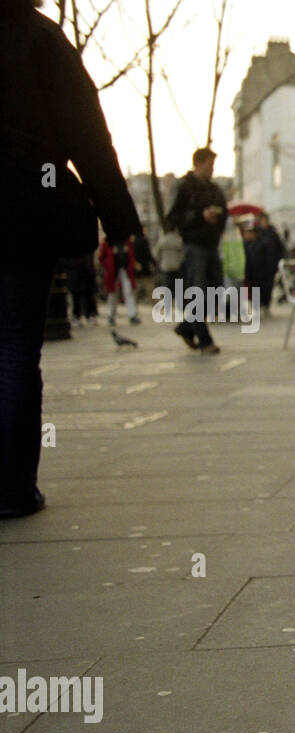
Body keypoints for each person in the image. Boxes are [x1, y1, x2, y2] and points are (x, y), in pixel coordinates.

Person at [1, 0, 142, 517]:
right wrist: (122, 222)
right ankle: (13, 488)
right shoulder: (39, 38)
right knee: (15, 349)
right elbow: (88, 134)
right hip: (23, 213)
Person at [165, 146, 226, 354]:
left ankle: (186, 327)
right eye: (210, 165)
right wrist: (200, 216)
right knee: (198, 292)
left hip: (211, 244)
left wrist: (217, 219)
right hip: (194, 245)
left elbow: (224, 212)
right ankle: (204, 340)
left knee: (216, 290)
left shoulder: (214, 189)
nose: (212, 170)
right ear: (199, 164)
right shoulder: (184, 187)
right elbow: (173, 217)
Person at [96, 235, 140, 326]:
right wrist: (107, 266)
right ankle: (111, 315)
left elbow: (131, 256)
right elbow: (101, 257)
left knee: (128, 292)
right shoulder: (107, 243)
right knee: (112, 294)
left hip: (125, 270)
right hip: (113, 272)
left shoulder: (127, 242)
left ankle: (132, 315)